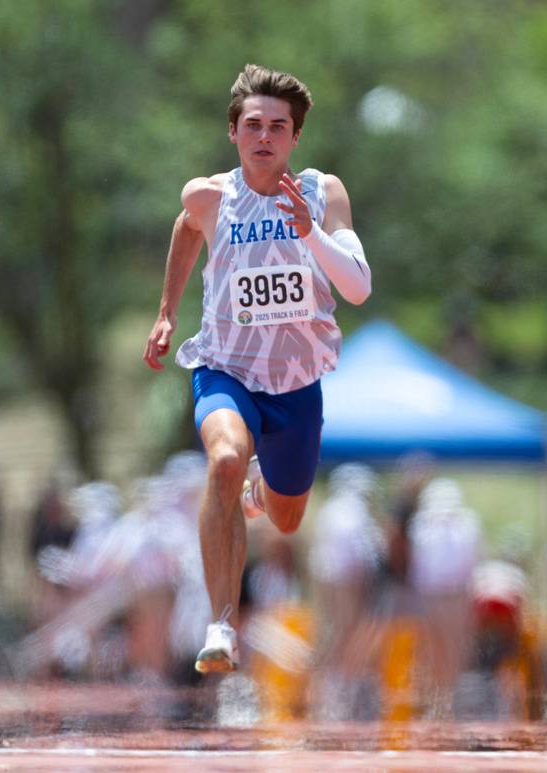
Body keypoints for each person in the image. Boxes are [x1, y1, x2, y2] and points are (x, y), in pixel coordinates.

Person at [142, 63, 371, 674]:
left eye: (277, 126)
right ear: (234, 133)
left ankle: (257, 493)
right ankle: (221, 622)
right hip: (227, 368)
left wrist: (311, 233)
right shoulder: (209, 196)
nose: (264, 136)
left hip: (296, 383)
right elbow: (187, 228)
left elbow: (358, 288)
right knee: (222, 457)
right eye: (252, 125)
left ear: (295, 137)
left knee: (289, 519)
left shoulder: (324, 193)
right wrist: (167, 311)